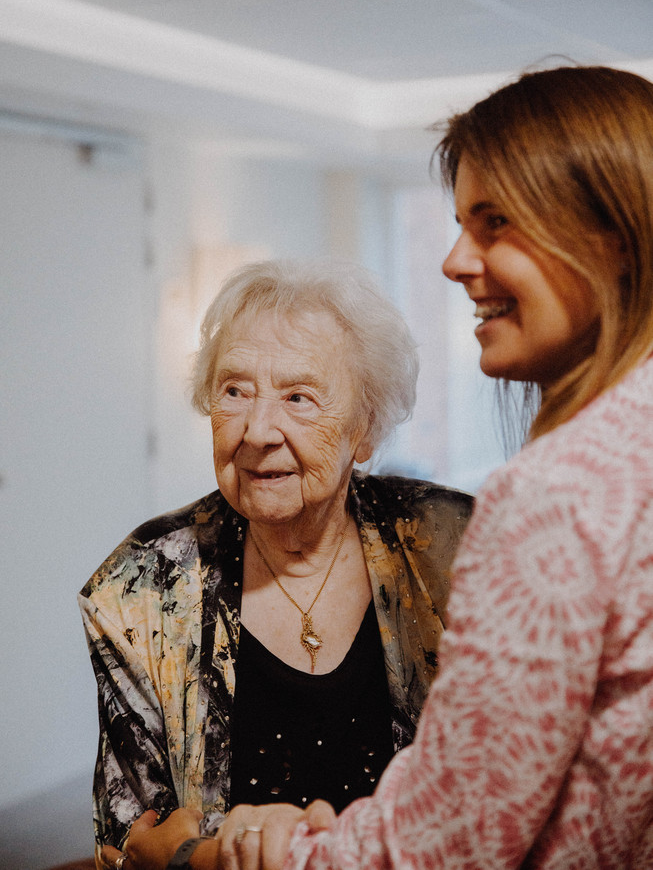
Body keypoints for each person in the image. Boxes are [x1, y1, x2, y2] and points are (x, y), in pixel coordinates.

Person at [119, 64, 653, 869]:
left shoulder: (538, 500)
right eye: (234, 390)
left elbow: (448, 844)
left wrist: (235, 856)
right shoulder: (140, 581)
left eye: (493, 221)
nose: (452, 261)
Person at [80, 258, 474, 870]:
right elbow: (131, 846)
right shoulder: (144, 586)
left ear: (364, 431)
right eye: (235, 391)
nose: (258, 429)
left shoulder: (452, 547)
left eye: (299, 397)